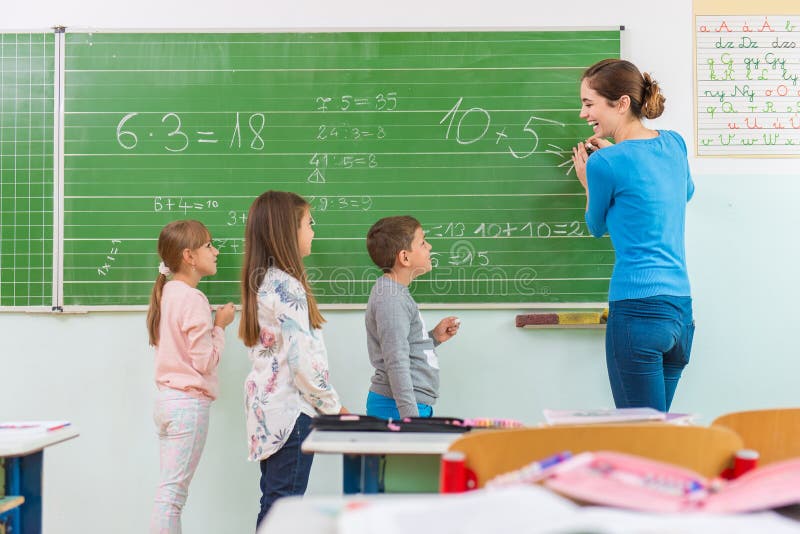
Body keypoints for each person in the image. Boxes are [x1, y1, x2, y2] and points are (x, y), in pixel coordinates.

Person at [571, 59, 695, 412]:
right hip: (680, 314)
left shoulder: (603, 164)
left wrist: (588, 183)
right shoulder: (674, 144)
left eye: (588, 103)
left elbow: (596, 226)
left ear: (621, 103)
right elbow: (682, 193)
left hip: (637, 311)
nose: (583, 114)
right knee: (658, 433)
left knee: (639, 436)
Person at [239, 190, 348, 528]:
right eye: (308, 224)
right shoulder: (287, 287)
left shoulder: (263, 282)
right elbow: (302, 362)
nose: (313, 231)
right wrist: (333, 407)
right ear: (288, 231)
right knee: (283, 511)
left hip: (268, 413)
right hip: (292, 415)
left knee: (273, 505)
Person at [146, 220, 235, 534]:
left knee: (168, 491)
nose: (216, 251)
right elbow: (204, 362)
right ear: (189, 256)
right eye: (209, 245)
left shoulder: (168, 292)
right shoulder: (193, 299)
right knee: (172, 495)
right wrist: (221, 326)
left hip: (167, 403)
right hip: (187, 405)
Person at [364, 215, 460, 420]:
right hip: (398, 410)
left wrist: (433, 337)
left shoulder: (395, 293)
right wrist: (411, 420)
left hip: (404, 407)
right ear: (405, 257)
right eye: (423, 242)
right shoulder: (391, 298)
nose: (430, 247)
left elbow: (402, 345)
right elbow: (396, 361)